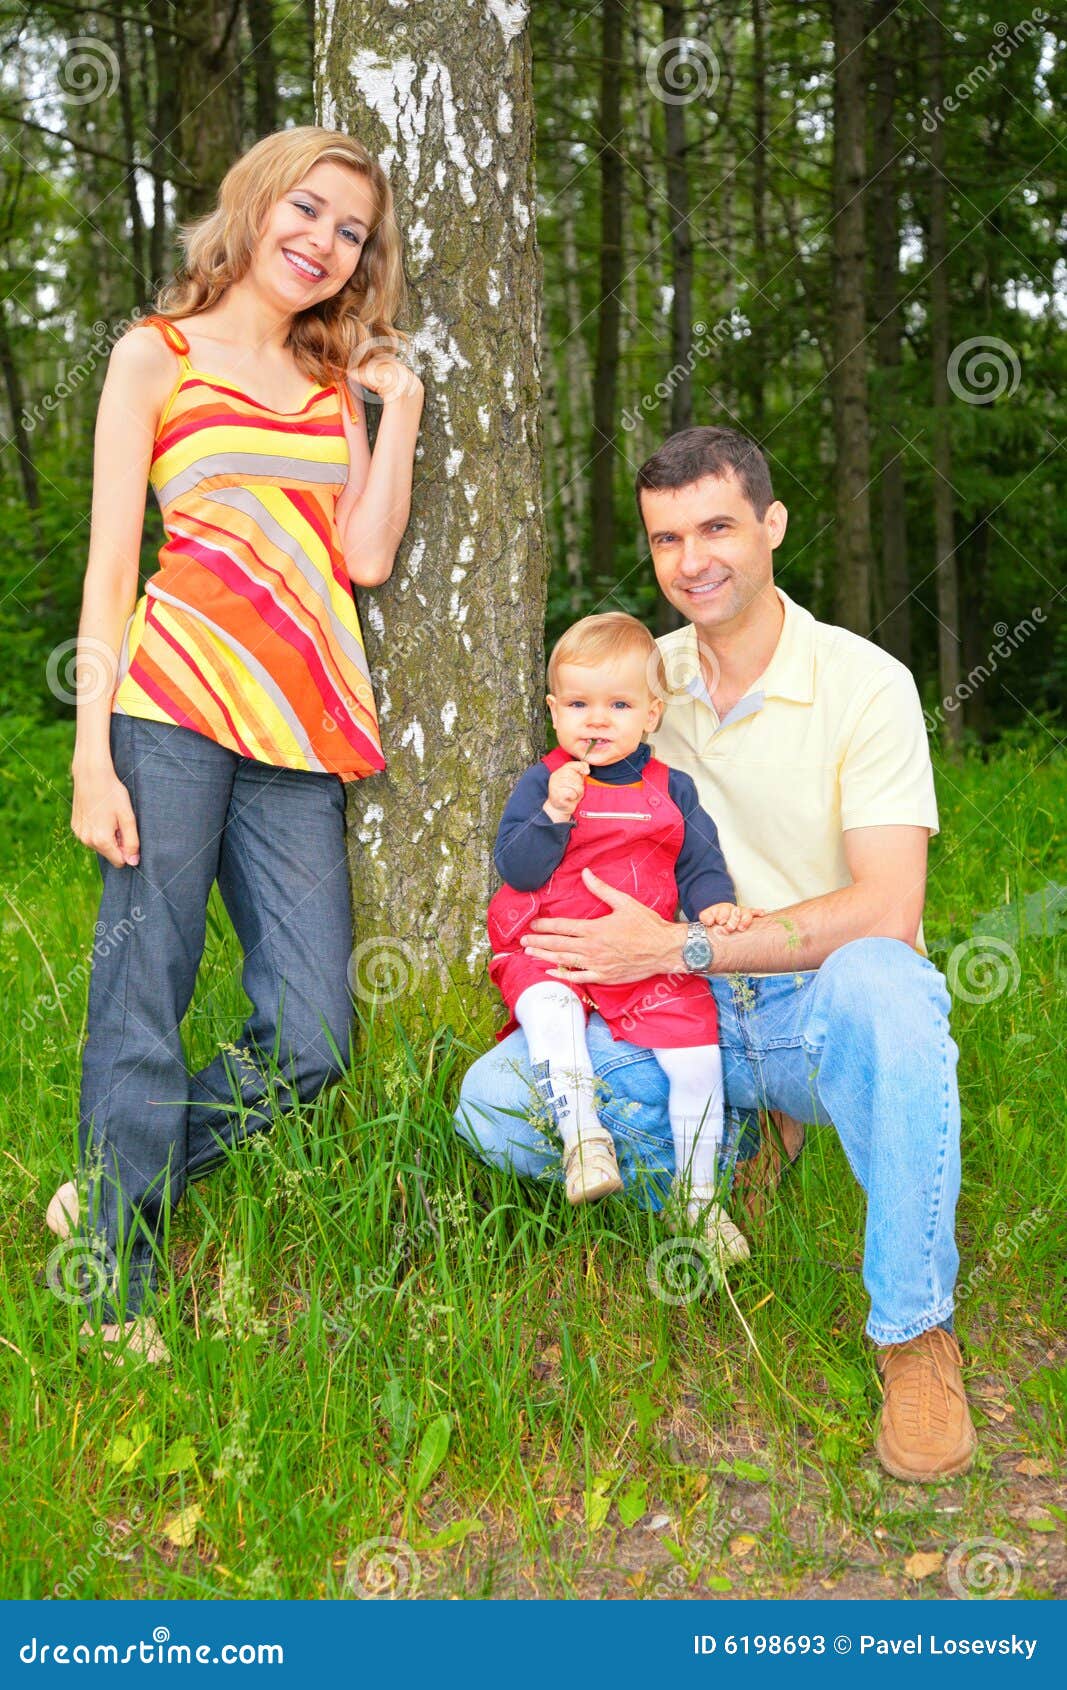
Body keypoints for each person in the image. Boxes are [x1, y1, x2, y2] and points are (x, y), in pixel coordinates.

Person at [455, 426, 977, 1484]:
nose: (691, 558)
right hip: (661, 1006)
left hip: (802, 1004)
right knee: (494, 1104)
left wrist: (683, 940)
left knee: (898, 988)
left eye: (717, 527)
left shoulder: (862, 683)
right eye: (664, 538)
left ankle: (912, 1330)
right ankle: (718, 1166)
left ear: (771, 525)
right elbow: (545, 838)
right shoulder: (636, 681)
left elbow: (888, 905)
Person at [49, 127, 424, 1363]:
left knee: (315, 1035)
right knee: (140, 996)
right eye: (306, 211)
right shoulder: (154, 355)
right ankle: (115, 1281)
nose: (320, 242)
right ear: (258, 205)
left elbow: (361, 555)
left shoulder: (332, 387)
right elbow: (111, 569)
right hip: (166, 710)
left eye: (350, 232)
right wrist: (89, 753)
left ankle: (116, 1172)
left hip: (301, 728)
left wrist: (399, 403)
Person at [488, 611, 761, 1262]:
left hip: (644, 952)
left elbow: (698, 865)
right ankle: (583, 1138)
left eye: (618, 704)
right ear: (554, 712)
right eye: (578, 704)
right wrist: (554, 812)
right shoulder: (542, 784)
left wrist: (715, 907)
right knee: (547, 1010)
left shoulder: (672, 790)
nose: (596, 719)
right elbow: (516, 868)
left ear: (652, 714)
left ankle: (699, 1200)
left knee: (696, 1058)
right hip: (548, 943)